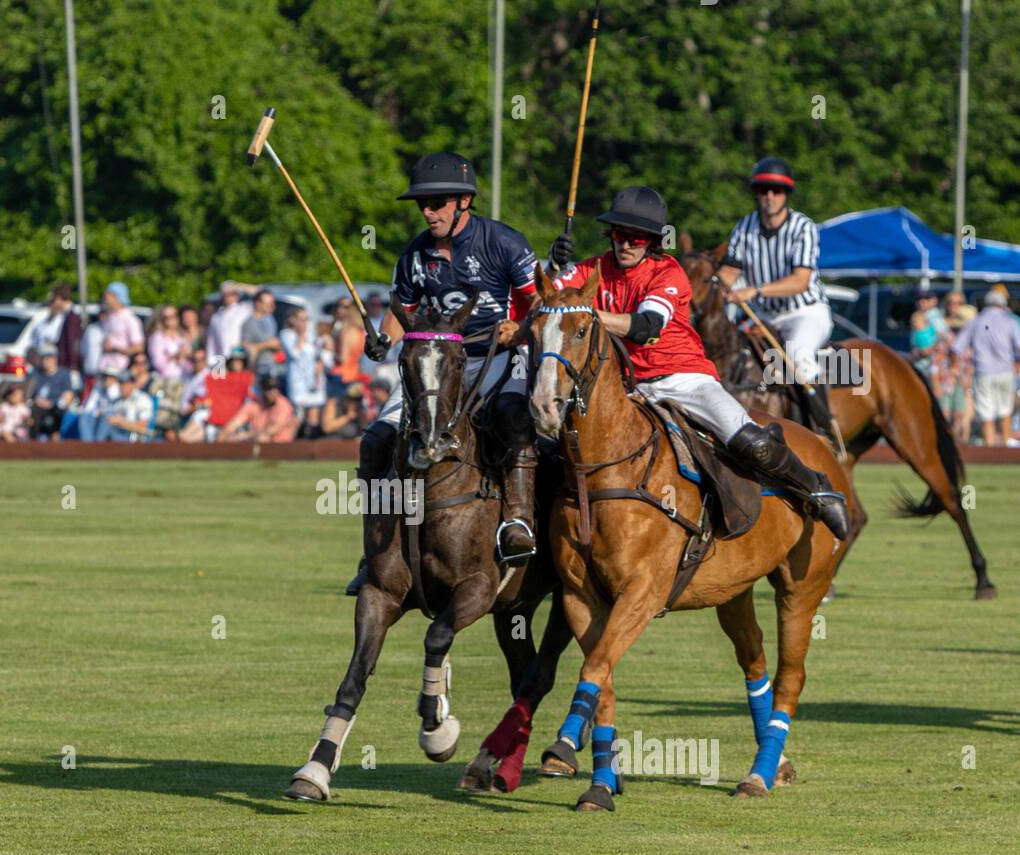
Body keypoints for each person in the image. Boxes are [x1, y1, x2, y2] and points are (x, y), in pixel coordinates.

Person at [551, 185, 850, 541]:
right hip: (626, 386)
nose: (625, 244)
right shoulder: (593, 269)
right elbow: (551, 302)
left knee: (751, 441)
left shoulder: (668, 274)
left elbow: (647, 327)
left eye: (636, 237)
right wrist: (554, 266)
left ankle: (814, 486)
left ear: (653, 241)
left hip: (683, 380)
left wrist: (587, 314)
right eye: (619, 234)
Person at [345, 150, 542, 594]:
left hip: (495, 355)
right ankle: (375, 550)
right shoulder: (415, 254)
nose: (428, 212)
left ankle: (519, 521)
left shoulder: (505, 243)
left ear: (463, 202)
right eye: (423, 205)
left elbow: (542, 304)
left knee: (512, 417)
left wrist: (523, 328)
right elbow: (403, 311)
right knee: (376, 440)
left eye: (437, 203)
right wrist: (383, 337)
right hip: (435, 364)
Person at [713, 157, 838, 440]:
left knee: (798, 358)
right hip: (763, 315)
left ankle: (823, 431)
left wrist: (754, 291)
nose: (768, 196)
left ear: (786, 195)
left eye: (775, 190)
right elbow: (730, 271)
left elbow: (800, 280)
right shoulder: (745, 227)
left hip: (804, 311)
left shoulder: (802, 227)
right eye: (762, 190)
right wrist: (714, 289)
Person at [952, 288, 1020, 447]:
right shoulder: (1010, 321)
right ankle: (1004, 450)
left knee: (986, 414)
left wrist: (956, 369)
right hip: (1005, 372)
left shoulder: (975, 322)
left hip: (983, 372)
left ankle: (990, 452)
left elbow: (956, 349)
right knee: (1005, 412)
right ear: (1002, 304)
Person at [281, 308, 325, 436]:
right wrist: (301, 334)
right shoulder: (286, 334)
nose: (305, 323)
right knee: (298, 416)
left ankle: (312, 447)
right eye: (302, 319)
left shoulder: (311, 335)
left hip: (313, 380)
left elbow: (318, 355)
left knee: (313, 417)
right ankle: (292, 444)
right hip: (297, 381)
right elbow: (295, 354)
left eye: (307, 319)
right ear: (293, 320)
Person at [221, 375, 299, 442]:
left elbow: (274, 429)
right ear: (263, 390)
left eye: (275, 389)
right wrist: (224, 435)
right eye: (269, 389)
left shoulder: (284, 405)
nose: (273, 392)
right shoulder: (255, 404)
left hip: (281, 445)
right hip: (256, 441)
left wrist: (243, 436)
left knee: (262, 438)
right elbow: (235, 422)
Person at [205, 281, 258, 362]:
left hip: (241, 359)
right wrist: (212, 362)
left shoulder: (245, 309)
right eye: (225, 294)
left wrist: (239, 286)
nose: (228, 297)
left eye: (231, 294)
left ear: (236, 295)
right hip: (223, 361)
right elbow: (212, 344)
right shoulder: (216, 317)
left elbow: (260, 292)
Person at [28, 346, 75, 438]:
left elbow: (68, 395)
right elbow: (29, 392)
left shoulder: (63, 373)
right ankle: (33, 440)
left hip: (55, 407)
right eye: (43, 357)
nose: (46, 360)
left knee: (57, 413)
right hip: (38, 406)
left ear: (55, 358)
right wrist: (36, 400)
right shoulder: (34, 373)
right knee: (32, 413)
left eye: (49, 357)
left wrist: (53, 403)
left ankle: (55, 439)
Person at [99, 282, 143, 376]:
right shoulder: (109, 316)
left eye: (108, 294)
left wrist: (115, 348)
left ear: (116, 297)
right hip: (105, 368)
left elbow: (138, 347)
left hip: (121, 370)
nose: (105, 297)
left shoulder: (130, 319)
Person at [102, 370, 156, 441]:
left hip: (133, 436)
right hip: (114, 433)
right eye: (121, 384)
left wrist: (121, 422)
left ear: (133, 384)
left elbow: (143, 426)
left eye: (126, 384)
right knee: (87, 417)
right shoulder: (117, 401)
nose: (122, 387)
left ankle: (92, 445)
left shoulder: (142, 399)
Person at [240, 290, 282, 378]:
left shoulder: (270, 319)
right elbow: (246, 347)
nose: (272, 306)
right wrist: (267, 344)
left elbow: (276, 344)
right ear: (257, 303)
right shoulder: (248, 323)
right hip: (257, 369)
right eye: (269, 303)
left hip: (272, 366)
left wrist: (276, 345)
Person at [148, 305, 188, 379]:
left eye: (173, 316)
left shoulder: (183, 335)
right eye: (166, 317)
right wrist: (175, 356)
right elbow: (157, 363)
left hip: (185, 376)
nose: (170, 320)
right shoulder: (158, 337)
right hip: (166, 378)